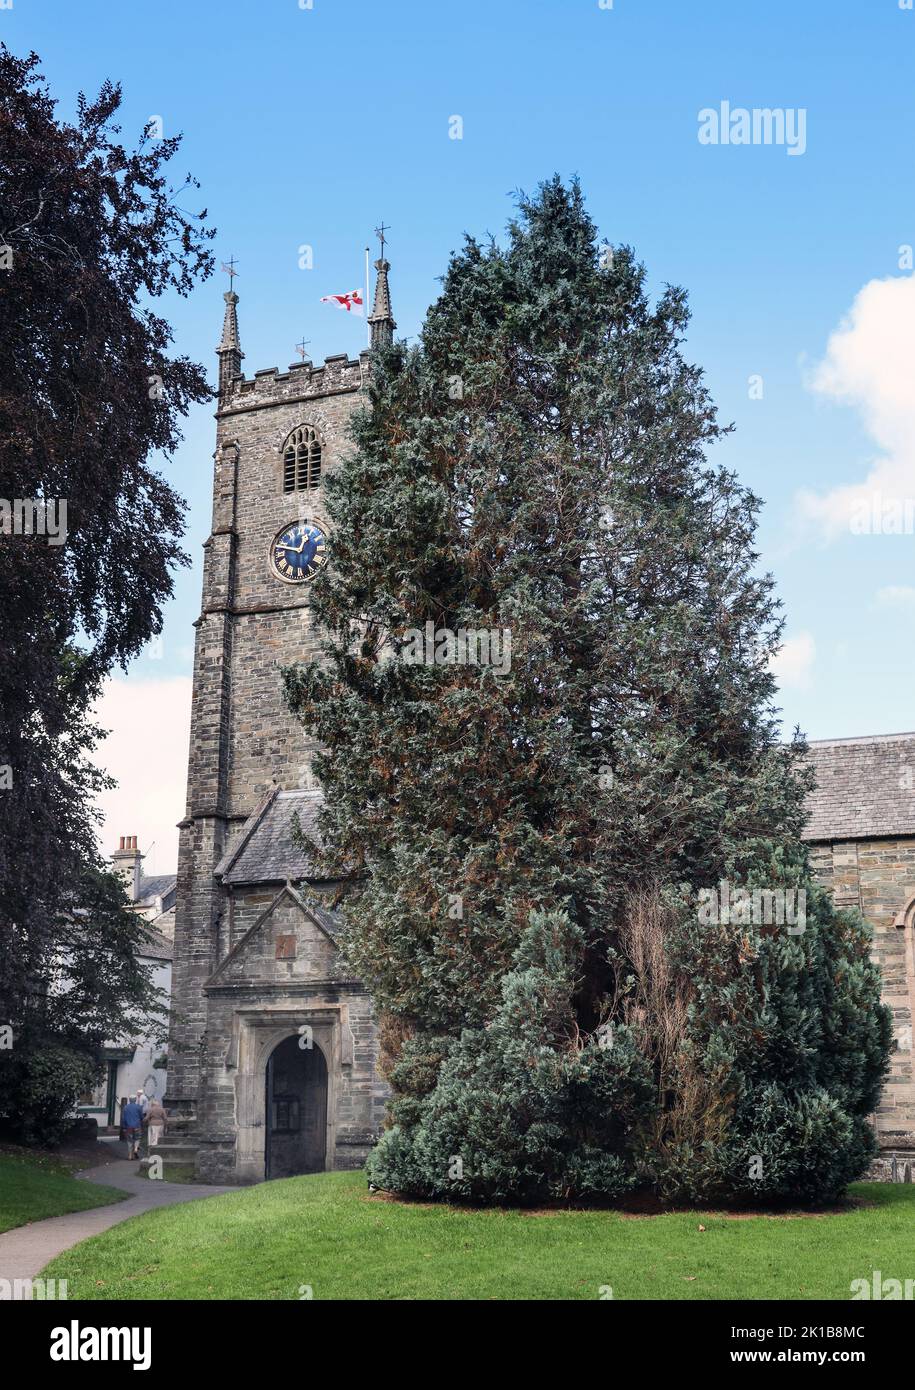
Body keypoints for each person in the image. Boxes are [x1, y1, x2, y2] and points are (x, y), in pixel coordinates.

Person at [121, 1095, 144, 1160]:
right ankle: (136, 1149)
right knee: (137, 1138)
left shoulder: (125, 1107)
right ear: (135, 1100)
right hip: (137, 1126)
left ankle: (130, 1155)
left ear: (129, 1100)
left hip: (128, 1127)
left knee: (129, 1141)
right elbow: (141, 1117)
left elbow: (123, 1118)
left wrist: (124, 1127)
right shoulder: (138, 1107)